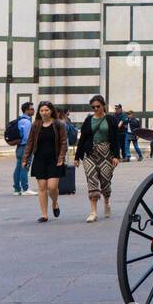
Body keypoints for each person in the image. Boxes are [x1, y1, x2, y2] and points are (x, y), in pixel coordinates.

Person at [74, 95, 120, 223]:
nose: (95, 109)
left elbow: (116, 138)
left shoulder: (110, 119)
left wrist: (116, 156)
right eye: (93, 107)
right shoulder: (88, 120)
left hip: (106, 153)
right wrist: (77, 157)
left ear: (103, 106)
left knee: (105, 181)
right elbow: (82, 139)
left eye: (98, 106)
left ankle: (107, 201)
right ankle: (93, 212)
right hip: (90, 153)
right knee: (92, 180)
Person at [23, 102, 69, 222]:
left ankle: (54, 203)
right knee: (42, 187)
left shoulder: (58, 124)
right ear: (39, 112)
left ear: (51, 111)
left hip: (55, 159)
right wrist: (25, 158)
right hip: (40, 159)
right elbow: (30, 142)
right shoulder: (36, 125)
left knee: (52, 187)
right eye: (42, 110)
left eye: (46, 110)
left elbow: (64, 142)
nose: (44, 112)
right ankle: (44, 214)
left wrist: (61, 157)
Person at [12, 101, 34, 195]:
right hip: (25, 147)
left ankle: (17, 189)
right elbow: (27, 137)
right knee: (25, 167)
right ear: (26, 110)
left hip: (19, 147)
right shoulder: (27, 122)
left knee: (18, 168)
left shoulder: (20, 120)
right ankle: (25, 188)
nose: (33, 111)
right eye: (31, 109)